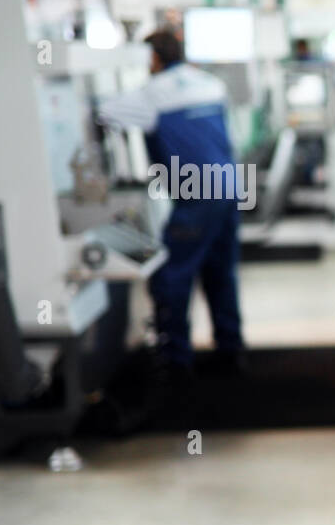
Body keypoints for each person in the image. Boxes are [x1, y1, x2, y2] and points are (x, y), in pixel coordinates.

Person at [97, 30, 246, 389]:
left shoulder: (153, 93)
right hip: (230, 186)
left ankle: (176, 364)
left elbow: (105, 113)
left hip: (196, 195)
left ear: (152, 59)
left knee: (172, 276)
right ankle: (231, 352)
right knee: (220, 273)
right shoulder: (210, 84)